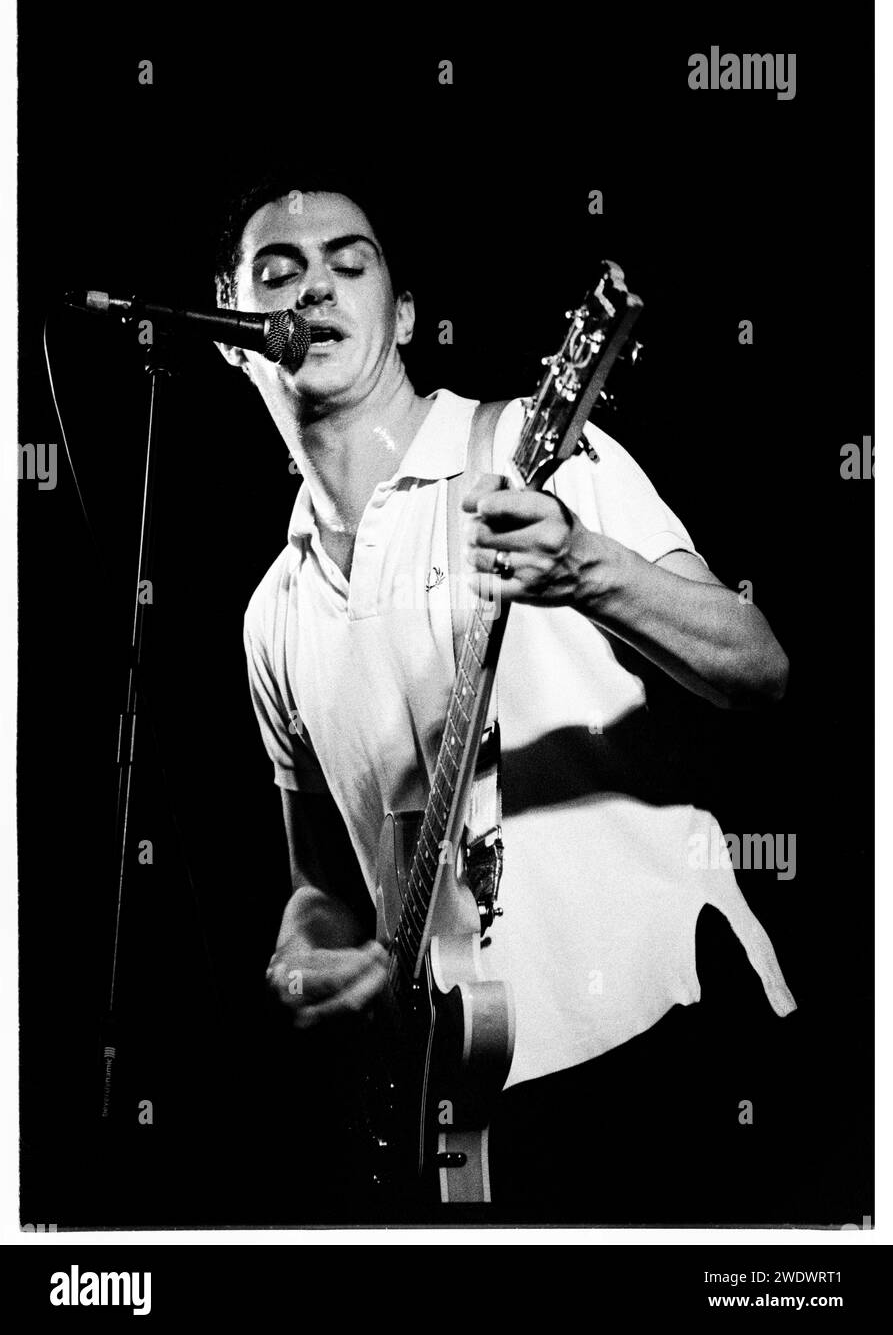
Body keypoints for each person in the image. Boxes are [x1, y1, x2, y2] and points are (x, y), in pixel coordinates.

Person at [215, 171, 797, 1219]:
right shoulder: (272, 613)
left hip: (661, 1032)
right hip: (469, 1103)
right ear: (230, 327)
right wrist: (305, 950)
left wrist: (586, 571)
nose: (315, 290)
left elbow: (755, 664)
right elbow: (323, 879)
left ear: (399, 316)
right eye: (280, 272)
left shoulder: (527, 449)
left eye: (349, 267)